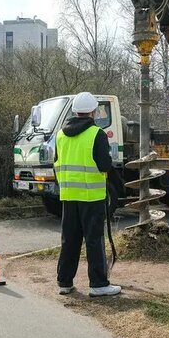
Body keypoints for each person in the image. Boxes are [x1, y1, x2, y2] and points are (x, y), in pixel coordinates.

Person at [55, 92, 121, 297]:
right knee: (94, 240)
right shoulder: (96, 134)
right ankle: (99, 284)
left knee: (69, 240)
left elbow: (56, 163)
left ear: (75, 111)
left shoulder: (60, 135)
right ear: (93, 112)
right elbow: (104, 165)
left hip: (68, 196)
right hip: (91, 197)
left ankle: (65, 282)